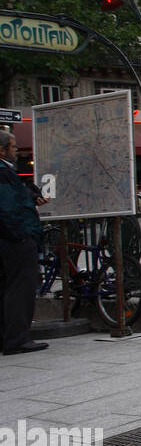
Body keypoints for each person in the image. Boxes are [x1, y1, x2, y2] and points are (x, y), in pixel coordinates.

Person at [1, 129, 49, 355]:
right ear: (2, 150)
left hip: (9, 239)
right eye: (13, 147)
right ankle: (17, 339)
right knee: (20, 289)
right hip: (14, 241)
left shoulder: (8, 172)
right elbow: (8, 207)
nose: (16, 151)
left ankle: (8, 336)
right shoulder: (3, 172)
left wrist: (30, 196)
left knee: (8, 289)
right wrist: (21, 236)